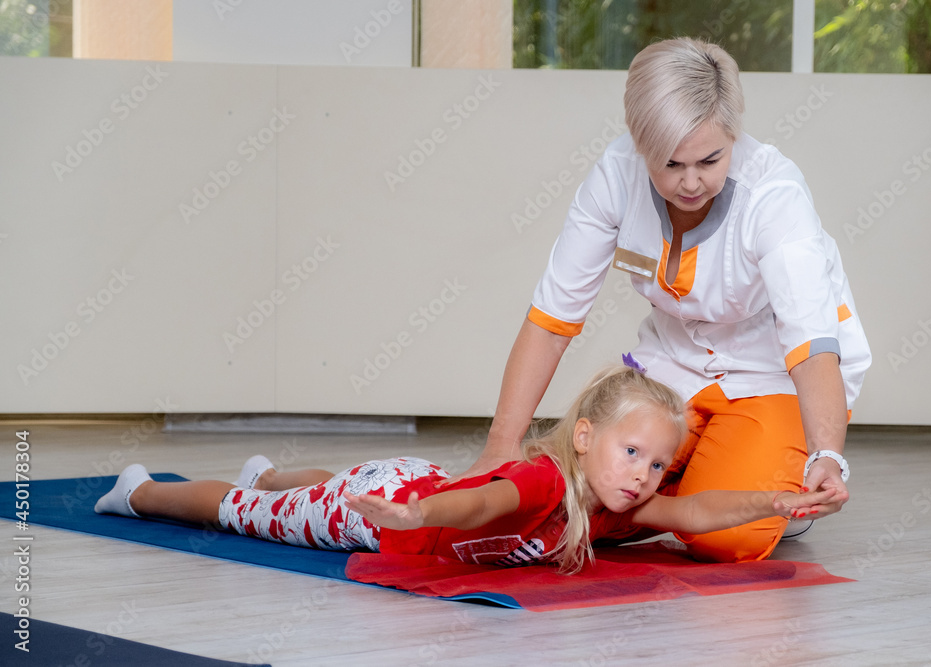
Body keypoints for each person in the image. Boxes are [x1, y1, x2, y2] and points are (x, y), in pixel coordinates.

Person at [463, 37, 872, 563]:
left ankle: (759, 482)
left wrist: (828, 454)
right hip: (673, 363)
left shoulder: (775, 196)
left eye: (710, 159)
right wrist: (501, 447)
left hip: (774, 373)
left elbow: (810, 343)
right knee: (577, 493)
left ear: (733, 136)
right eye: (670, 164)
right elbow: (552, 319)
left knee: (725, 539)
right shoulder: (615, 175)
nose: (691, 182)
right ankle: (698, 480)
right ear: (639, 143)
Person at [94, 367, 833, 573]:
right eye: (630, 452)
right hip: (381, 510)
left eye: (657, 462)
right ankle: (143, 490)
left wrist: (779, 499)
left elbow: (695, 512)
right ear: (582, 437)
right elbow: (483, 509)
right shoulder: (547, 479)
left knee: (320, 482)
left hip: (413, 484)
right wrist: (418, 517)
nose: (644, 474)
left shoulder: (619, 505)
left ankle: (275, 474)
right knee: (241, 516)